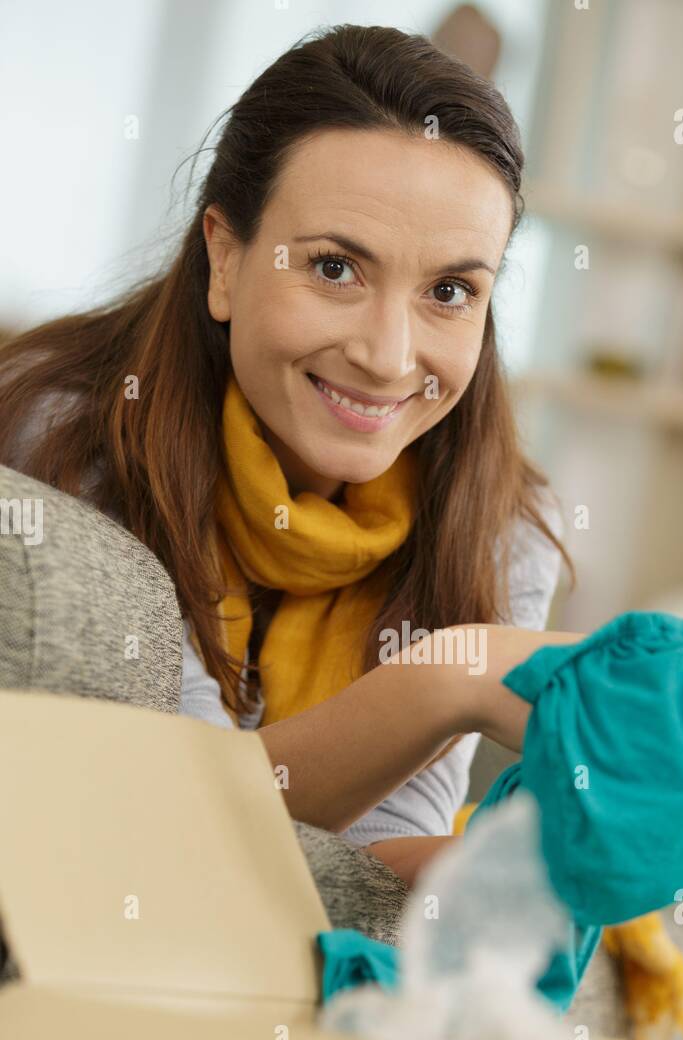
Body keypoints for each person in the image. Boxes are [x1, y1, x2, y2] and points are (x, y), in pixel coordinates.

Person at [0, 23, 578, 886]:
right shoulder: (68, 437)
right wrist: (439, 684)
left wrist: (537, 864)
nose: (389, 356)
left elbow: (368, 857)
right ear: (225, 259)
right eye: (336, 268)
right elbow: (163, 826)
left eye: (450, 291)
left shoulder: (502, 526)